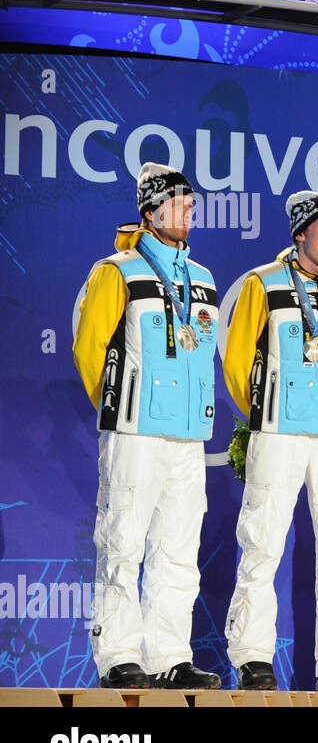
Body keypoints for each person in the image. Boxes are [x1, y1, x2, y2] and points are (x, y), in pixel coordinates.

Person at [72, 162, 222, 690]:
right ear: (151, 211)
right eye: (180, 205)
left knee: (179, 552)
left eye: (192, 206)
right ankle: (117, 655)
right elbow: (90, 347)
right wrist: (119, 409)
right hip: (134, 433)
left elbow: (205, 357)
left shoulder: (201, 279)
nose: (189, 214)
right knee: (122, 543)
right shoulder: (117, 270)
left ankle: (170, 655)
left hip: (187, 437)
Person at [222, 191, 318, 692]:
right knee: (263, 543)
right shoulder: (262, 283)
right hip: (279, 431)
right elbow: (236, 360)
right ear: (300, 233)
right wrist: (264, 412)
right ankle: (252, 658)